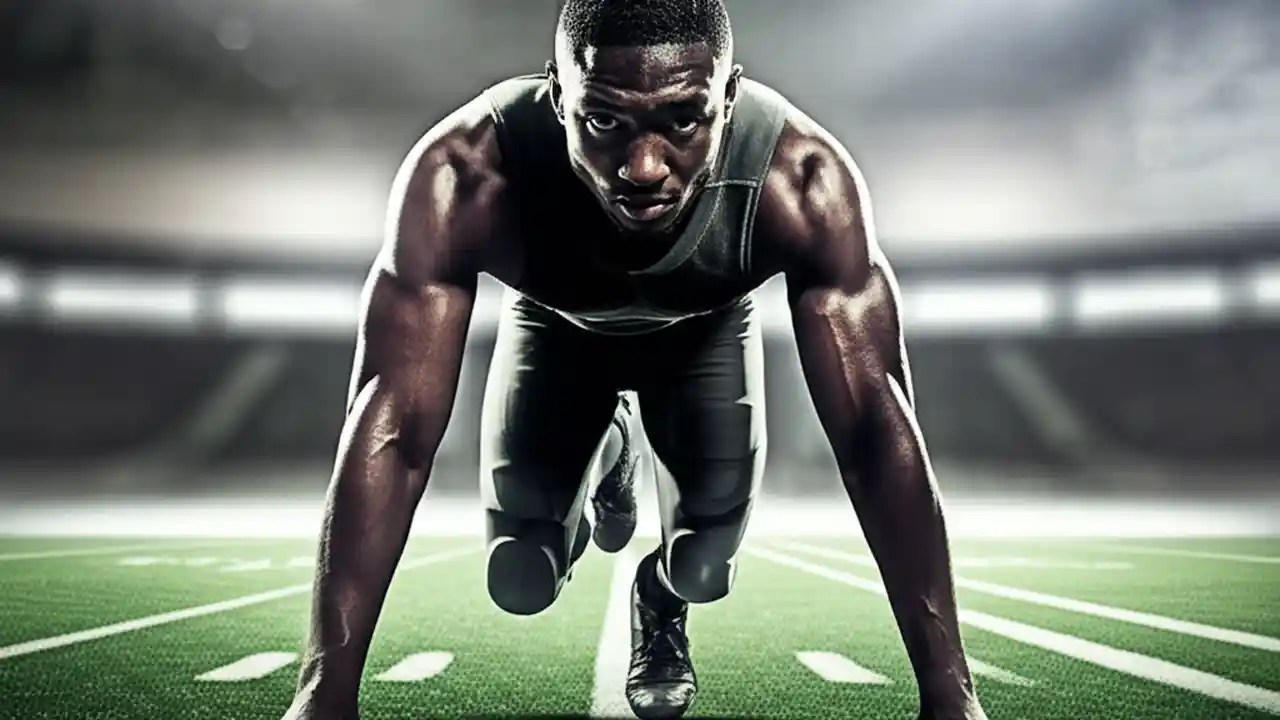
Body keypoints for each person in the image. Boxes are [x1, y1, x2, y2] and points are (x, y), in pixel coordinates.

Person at [283, 1, 988, 718]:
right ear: (560, 99)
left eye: (683, 119)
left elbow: (873, 431)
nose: (644, 167)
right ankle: (613, 455)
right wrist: (323, 696)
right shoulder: (464, 176)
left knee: (703, 569)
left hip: (704, 338)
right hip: (556, 334)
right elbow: (393, 429)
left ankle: (658, 598)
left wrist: (951, 696)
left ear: (729, 97)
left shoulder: (802, 182)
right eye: (604, 121)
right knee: (520, 578)